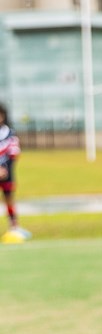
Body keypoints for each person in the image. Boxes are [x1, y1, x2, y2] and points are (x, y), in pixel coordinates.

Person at [0, 101, 30, 243]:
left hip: (7, 174)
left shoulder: (10, 134)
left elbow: (13, 154)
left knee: (9, 200)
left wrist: (4, 169)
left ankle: (14, 227)